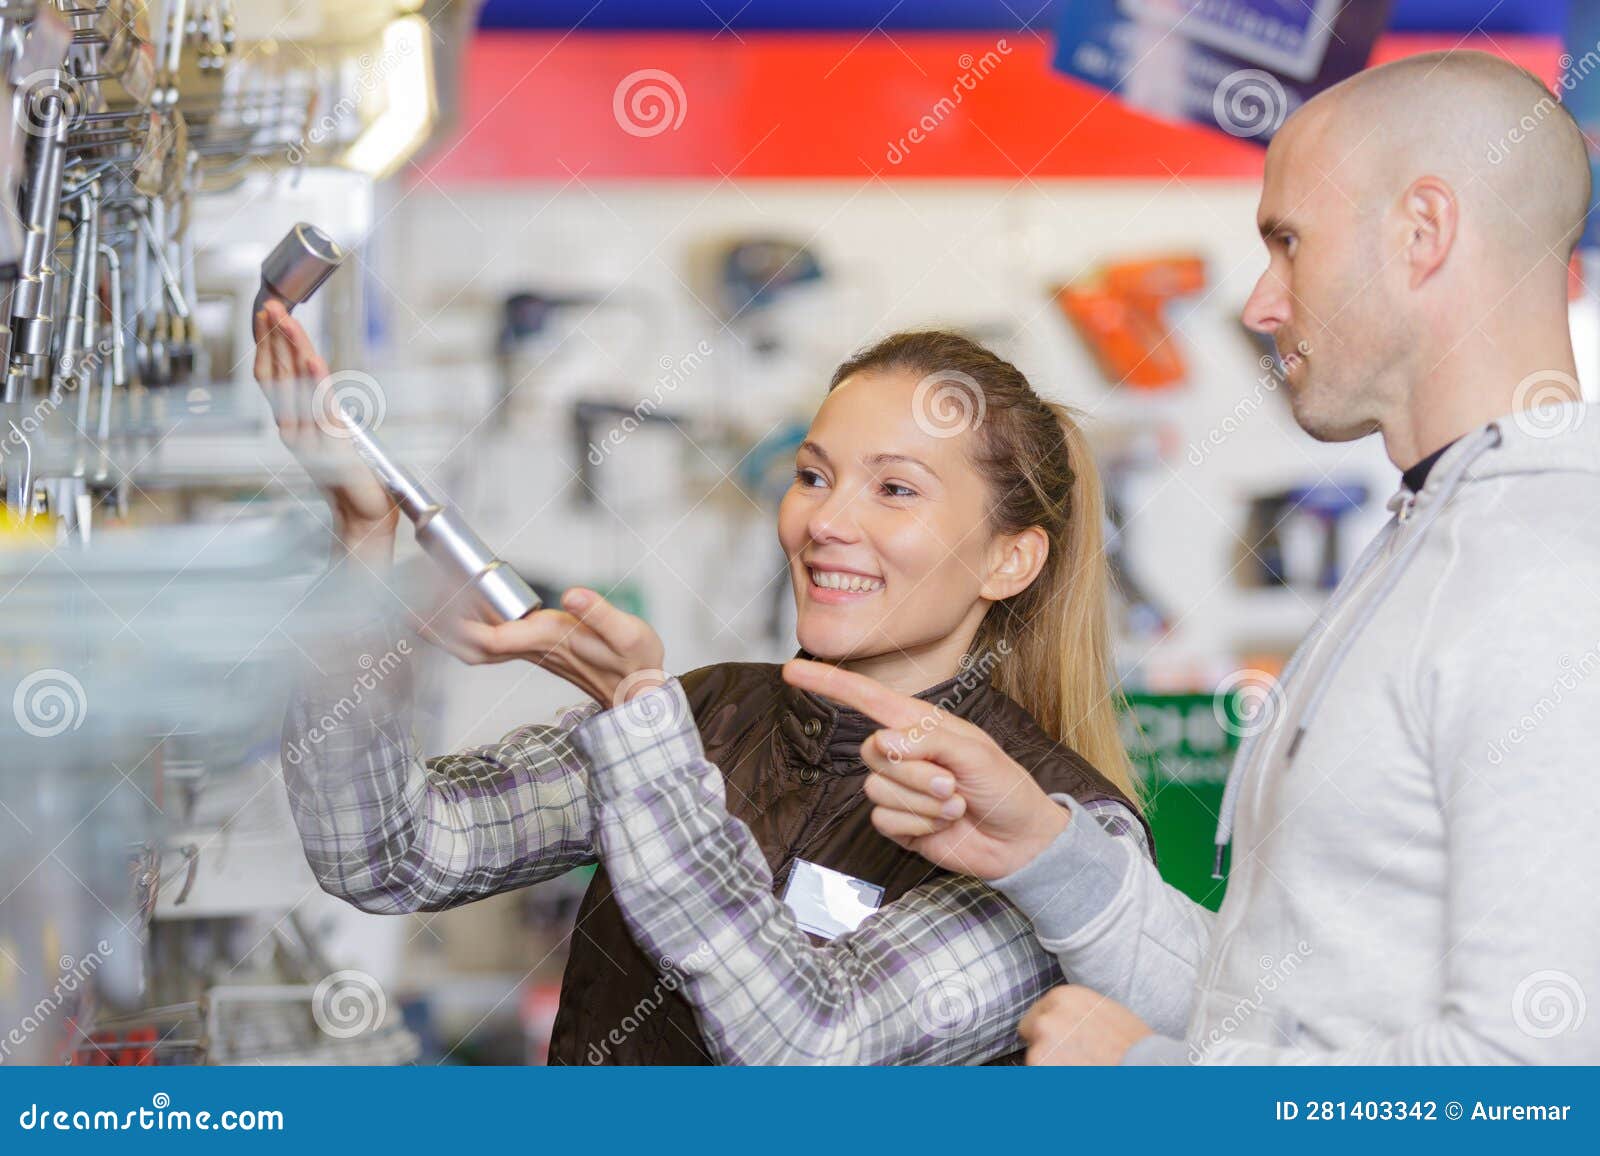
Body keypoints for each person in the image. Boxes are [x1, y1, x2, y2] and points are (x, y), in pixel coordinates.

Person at [825, 50, 1600, 1064]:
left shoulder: (1551, 581)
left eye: (1287, 241)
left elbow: (1530, 1090)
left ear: (1423, 232)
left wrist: (1159, 1084)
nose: (1259, 304)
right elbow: (1264, 1009)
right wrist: (1043, 855)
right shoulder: (1432, 539)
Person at [256, 311, 1151, 1063]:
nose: (827, 522)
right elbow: (386, 852)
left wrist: (642, 731)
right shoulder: (710, 712)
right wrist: (359, 550)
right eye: (813, 477)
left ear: (1010, 558)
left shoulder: (1062, 840)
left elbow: (814, 1046)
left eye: (894, 490)